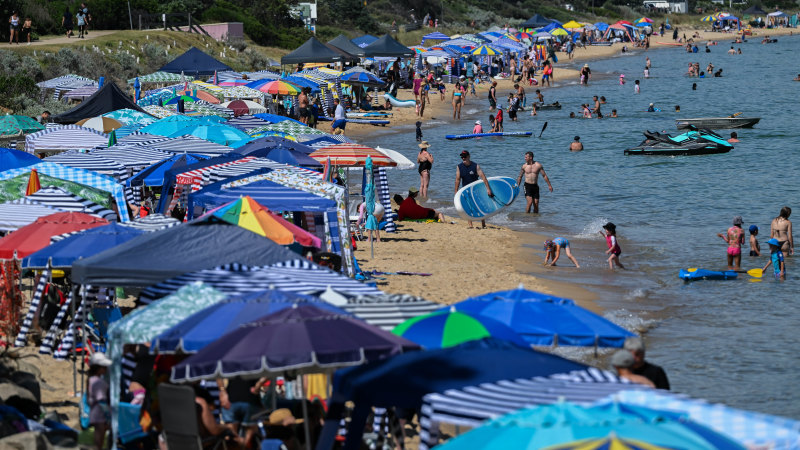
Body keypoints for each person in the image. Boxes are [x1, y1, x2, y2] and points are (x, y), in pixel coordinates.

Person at [218, 377, 261, 448]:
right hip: (250, 398)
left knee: (231, 430)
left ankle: (239, 444)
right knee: (251, 428)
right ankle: (244, 445)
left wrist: (222, 391)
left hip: (230, 398)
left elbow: (218, 376)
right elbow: (268, 374)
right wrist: (259, 384)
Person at [454, 150, 492, 228]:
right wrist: (456, 192)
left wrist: (488, 189)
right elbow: (457, 180)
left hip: (476, 190)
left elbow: (484, 178)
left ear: (468, 156)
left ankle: (483, 224)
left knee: (480, 206)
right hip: (466, 190)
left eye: (464, 156)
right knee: (468, 207)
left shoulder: (475, 166)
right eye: (462, 157)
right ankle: (470, 225)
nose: (463, 158)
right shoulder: (459, 167)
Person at [87, 353, 111, 450]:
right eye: (104, 367)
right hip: (100, 415)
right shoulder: (99, 382)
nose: (106, 369)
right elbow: (102, 401)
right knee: (99, 442)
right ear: (98, 368)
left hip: (94, 414)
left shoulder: (91, 380)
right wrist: (108, 418)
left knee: (98, 442)